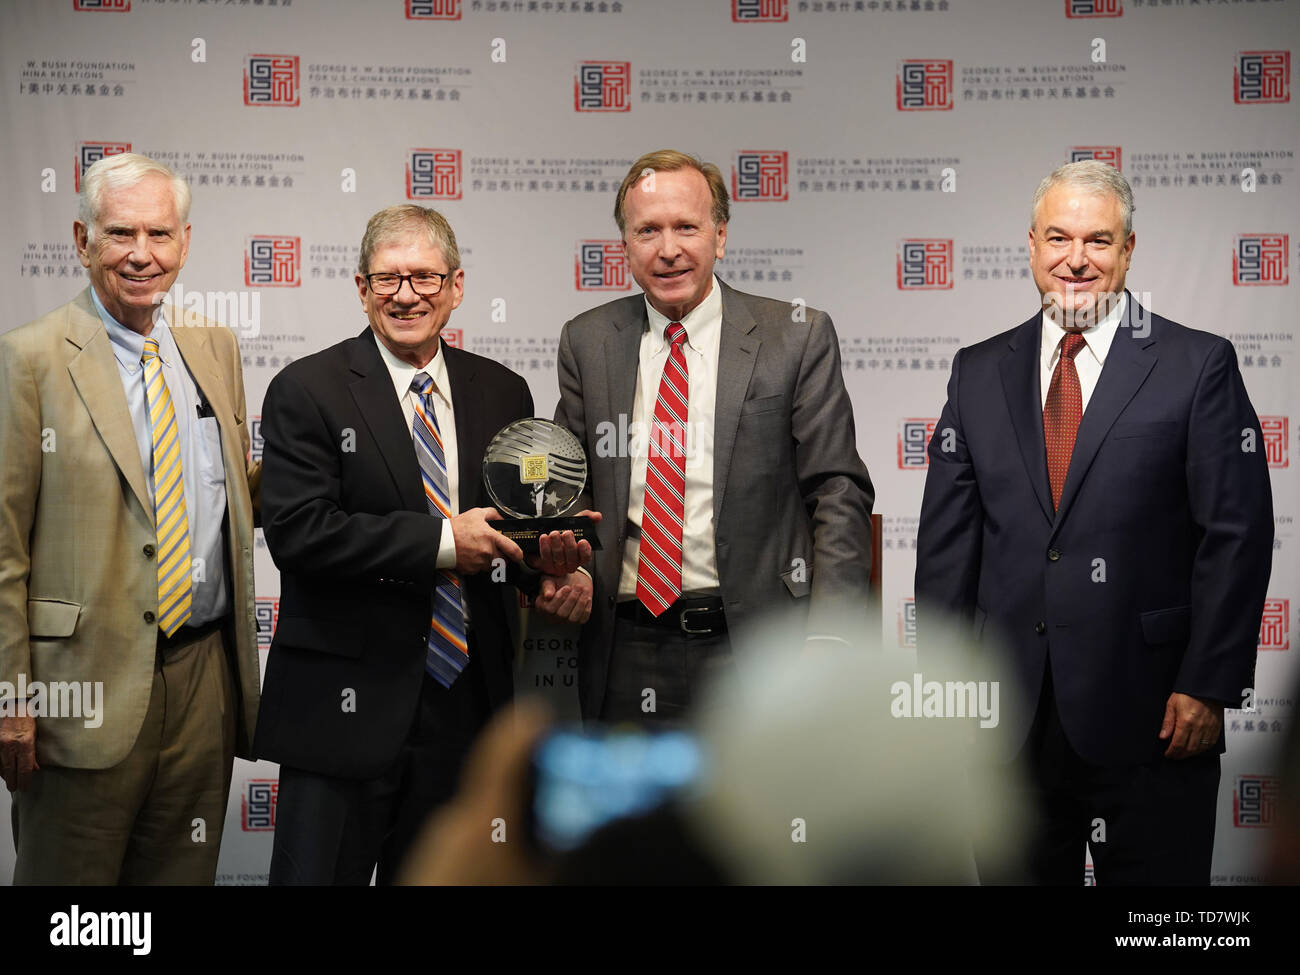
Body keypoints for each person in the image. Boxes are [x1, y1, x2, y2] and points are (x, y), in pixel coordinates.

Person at [915, 160, 1274, 885]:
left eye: (1098, 241)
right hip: (1006, 726)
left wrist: (1210, 684)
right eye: (1058, 237)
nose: (1076, 259)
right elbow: (948, 550)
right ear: (1030, 245)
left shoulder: (1197, 364)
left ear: (1129, 251)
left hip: (1157, 718)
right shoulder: (977, 370)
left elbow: (1236, 535)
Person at [254, 205, 583, 885]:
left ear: (457, 286)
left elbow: (509, 531)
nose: (407, 295)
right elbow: (299, 532)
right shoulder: (306, 390)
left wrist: (544, 568)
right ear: (361, 289)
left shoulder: (503, 389)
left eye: (425, 278)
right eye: (389, 279)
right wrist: (440, 540)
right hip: (343, 707)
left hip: (467, 708)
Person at [0, 152, 262, 884]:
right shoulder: (29, 360)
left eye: (158, 233)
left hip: (202, 680)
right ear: (82, 241)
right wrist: (9, 696)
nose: (141, 254)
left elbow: (232, 492)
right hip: (77, 690)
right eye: (119, 234)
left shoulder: (216, 347)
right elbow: (3, 551)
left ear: (185, 241)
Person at [550, 149, 874, 725]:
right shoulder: (588, 341)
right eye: (647, 230)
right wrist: (565, 563)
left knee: (759, 818)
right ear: (624, 244)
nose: (668, 248)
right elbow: (568, 488)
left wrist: (832, 637)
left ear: (720, 236)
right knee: (634, 817)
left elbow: (837, 491)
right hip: (626, 648)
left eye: (686, 227)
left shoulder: (796, 336)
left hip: (761, 650)